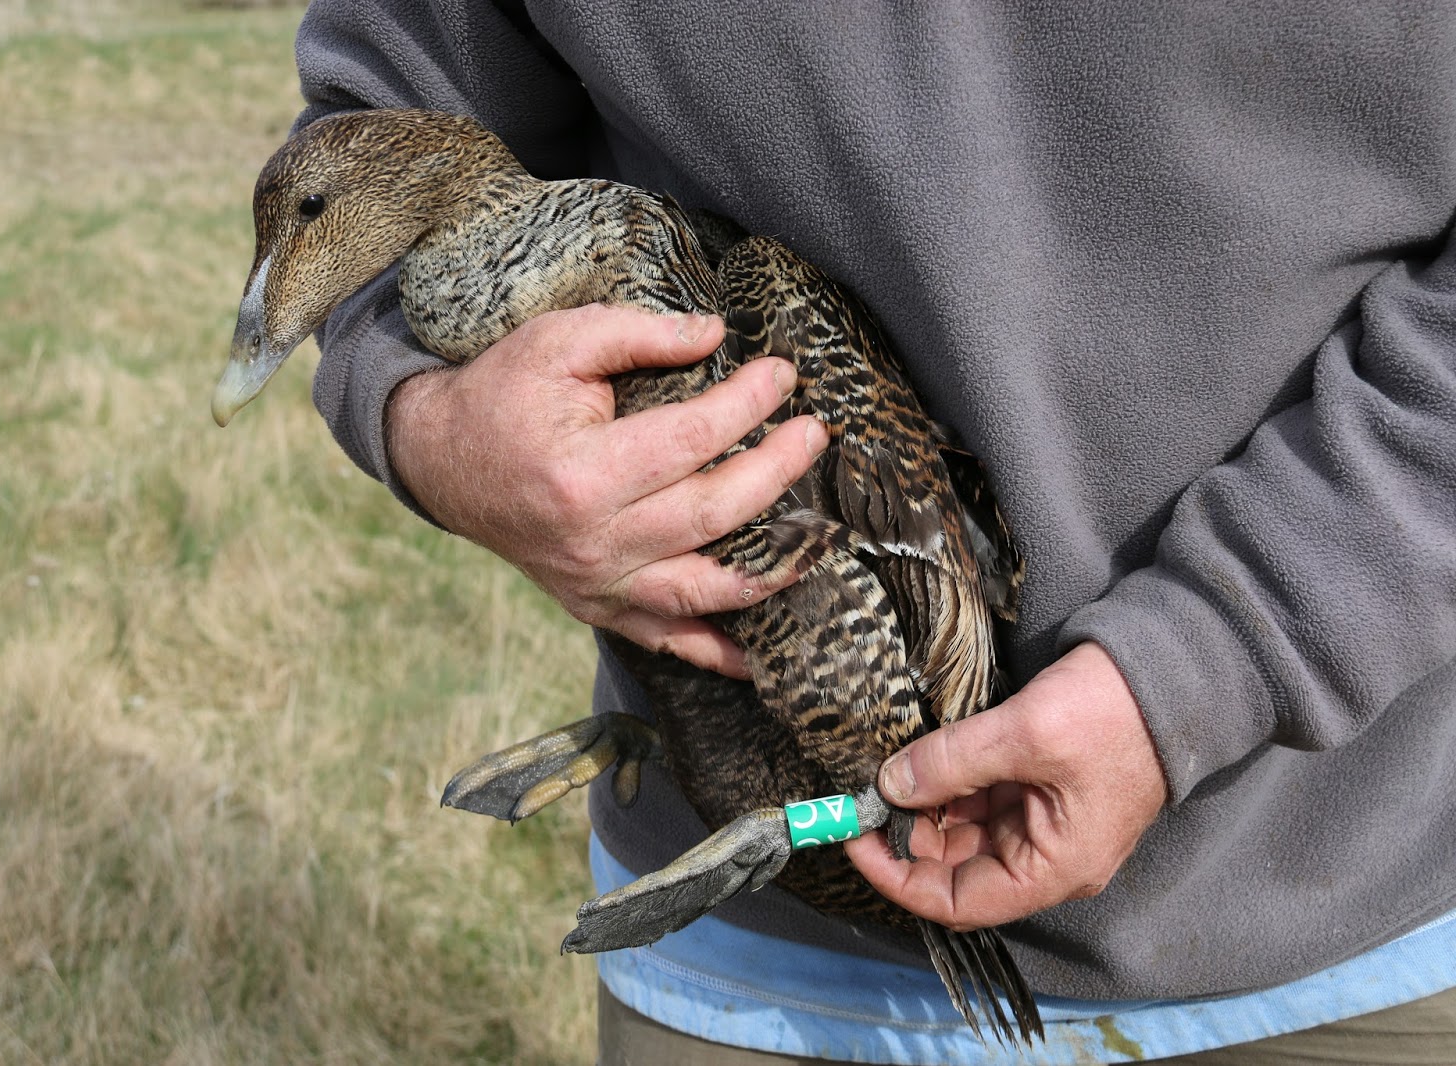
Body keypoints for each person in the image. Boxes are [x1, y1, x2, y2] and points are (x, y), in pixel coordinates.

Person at [290, 2, 1456, 1061]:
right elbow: (384, 112)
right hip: (740, 965)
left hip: (1331, 933)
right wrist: (425, 414)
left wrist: (1214, 657)